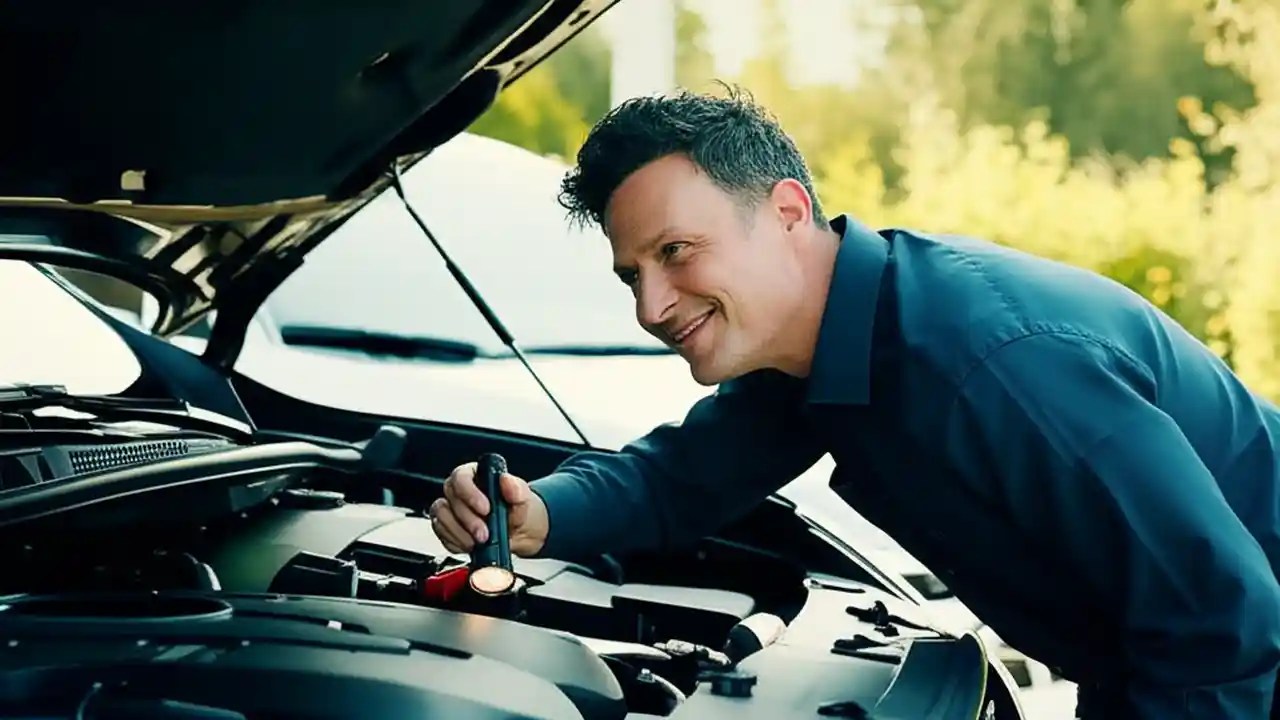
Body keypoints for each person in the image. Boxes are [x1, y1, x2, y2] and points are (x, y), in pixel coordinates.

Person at [428, 86, 1280, 719]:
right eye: (632, 276)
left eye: (677, 251)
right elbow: (677, 479)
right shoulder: (824, 347)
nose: (651, 307)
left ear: (786, 211)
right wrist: (539, 513)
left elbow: (1221, 626)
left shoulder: (991, 364)